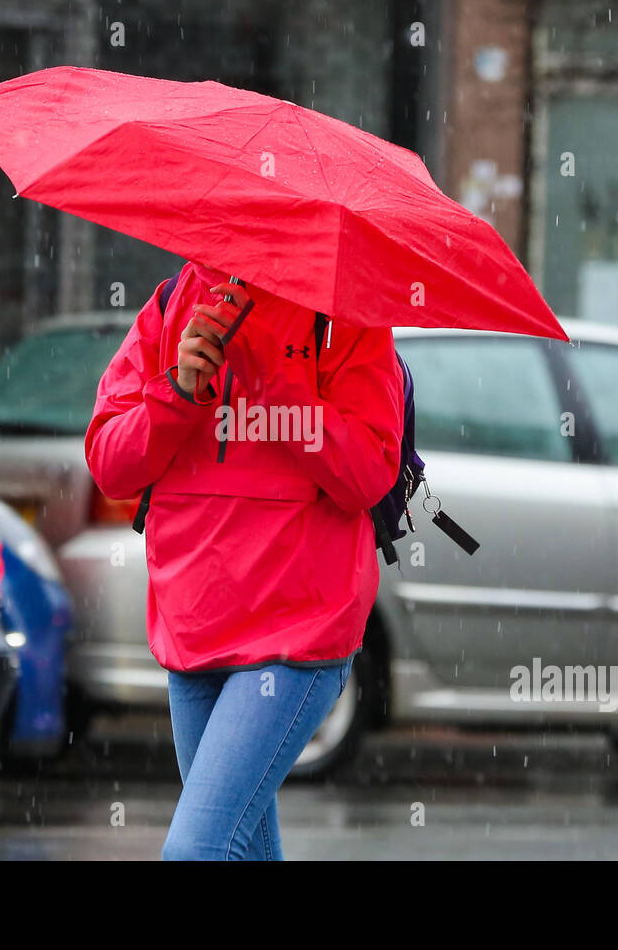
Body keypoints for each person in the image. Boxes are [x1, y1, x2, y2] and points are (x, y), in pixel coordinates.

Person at [84, 260, 404, 860]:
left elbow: (367, 473)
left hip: (295, 630)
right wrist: (177, 392)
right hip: (193, 622)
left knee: (197, 851)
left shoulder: (345, 318)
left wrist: (278, 389)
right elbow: (110, 463)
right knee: (242, 849)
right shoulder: (173, 302)